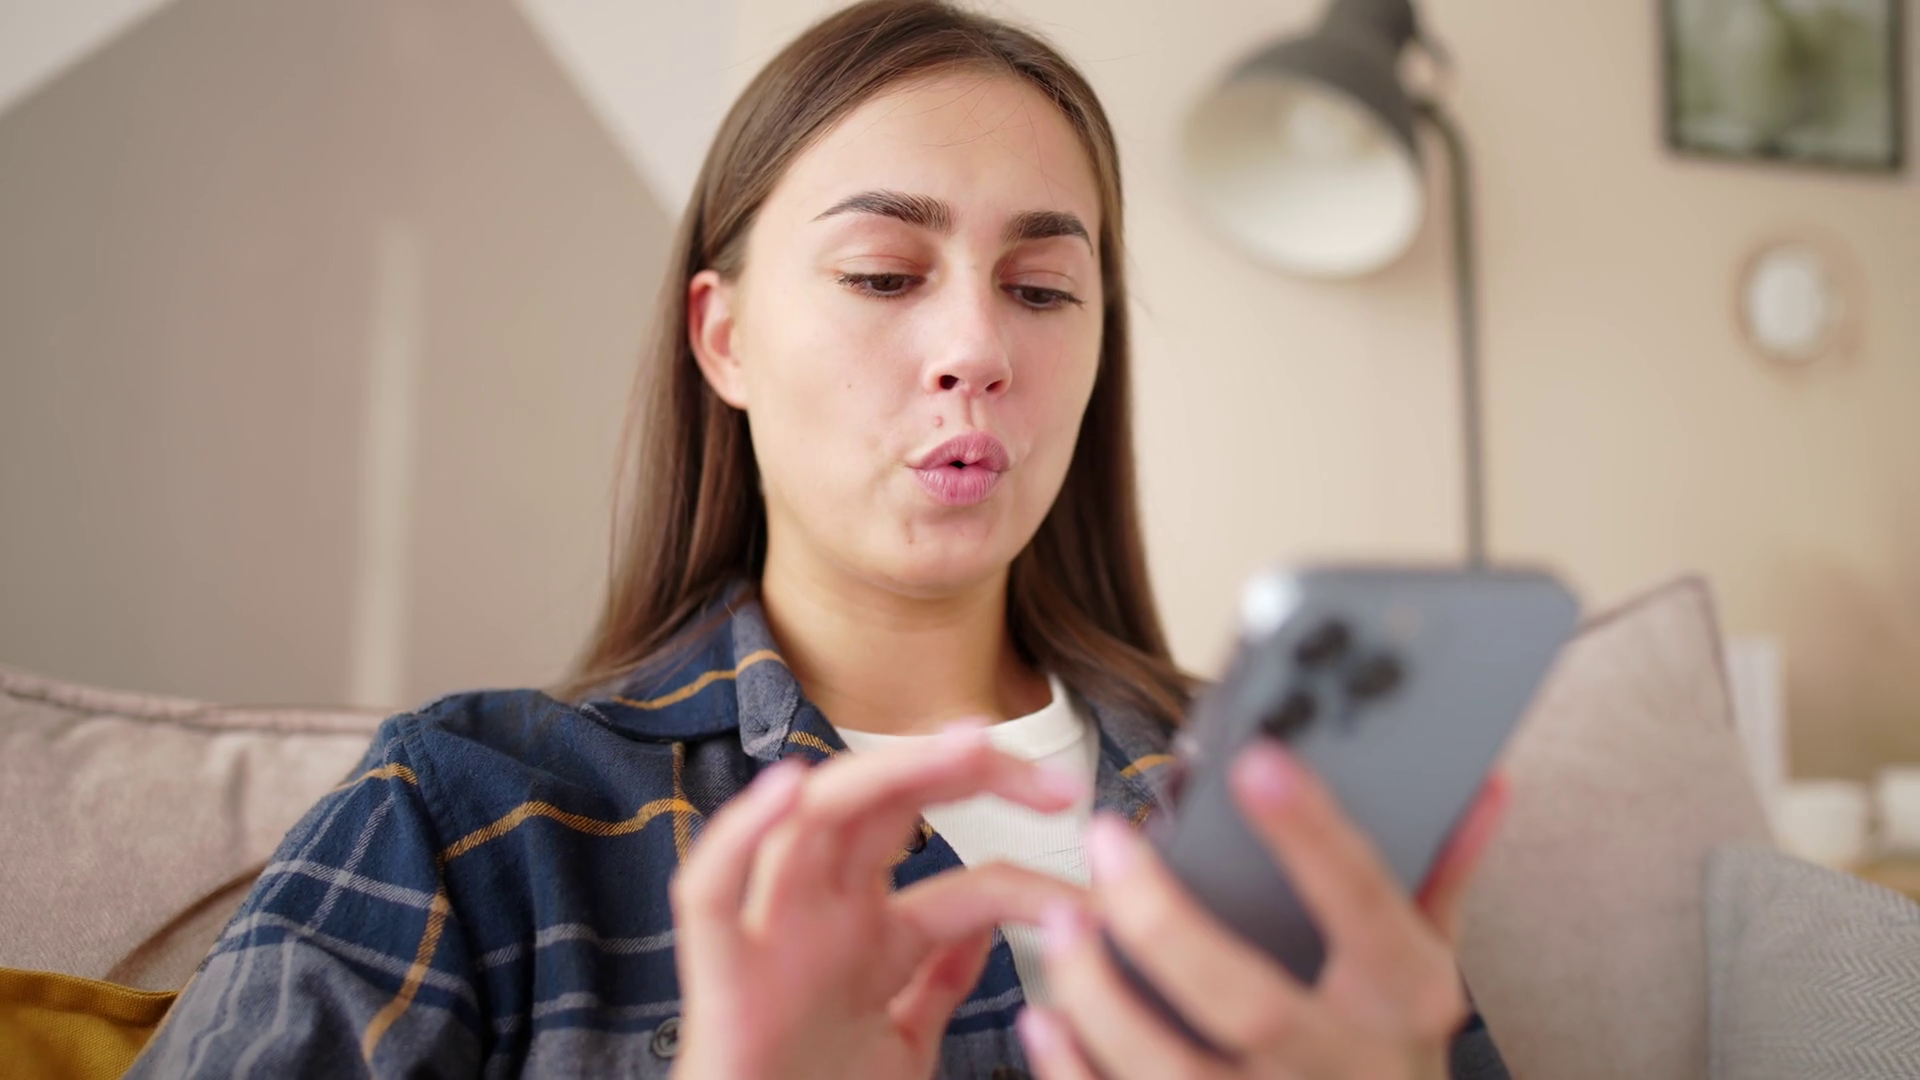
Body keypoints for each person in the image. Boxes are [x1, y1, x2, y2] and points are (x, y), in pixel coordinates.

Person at [127, 1, 1512, 1076]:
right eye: (881, 276)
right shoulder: (469, 819)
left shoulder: (1289, 815)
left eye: (1041, 287)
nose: (975, 346)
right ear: (723, 337)